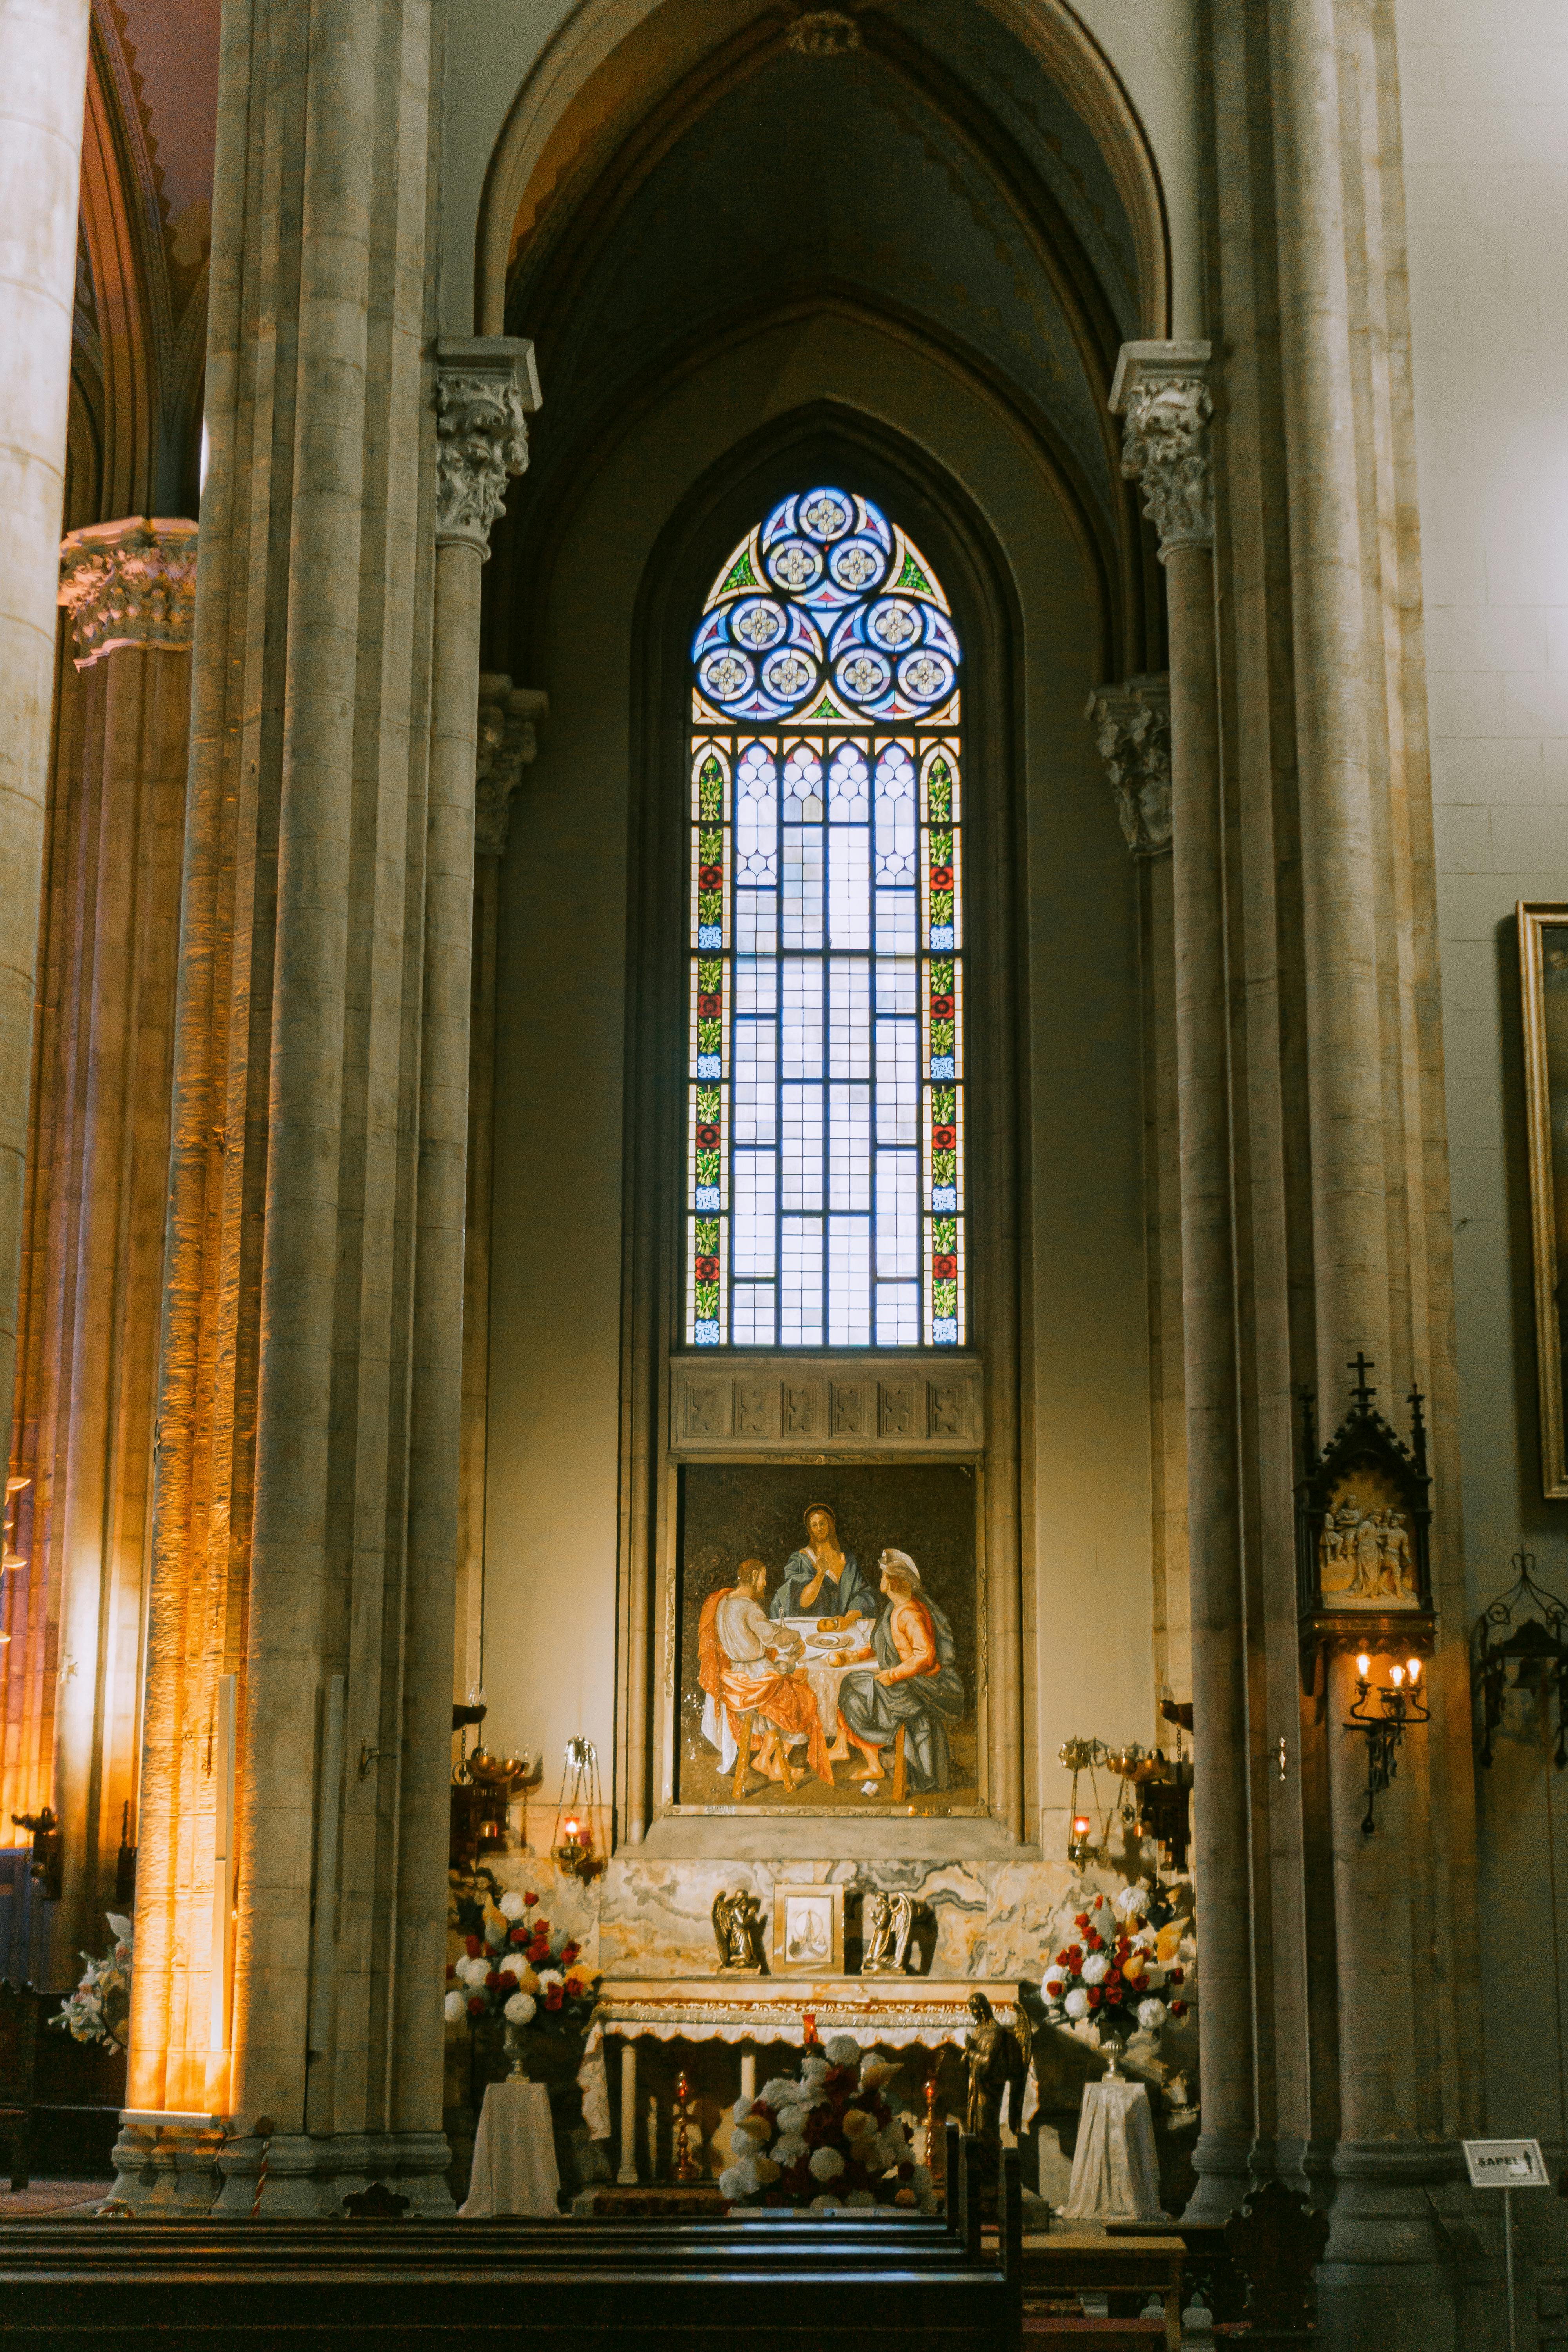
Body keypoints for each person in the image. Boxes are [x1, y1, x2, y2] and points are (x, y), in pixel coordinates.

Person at [697, 1557, 832, 1792]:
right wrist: (794, 1636)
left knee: (784, 1695)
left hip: (735, 1677)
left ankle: (765, 1760)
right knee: (802, 1699)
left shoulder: (724, 1601)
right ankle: (774, 1762)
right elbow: (770, 1635)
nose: (765, 1582)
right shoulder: (748, 1606)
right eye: (764, 1577)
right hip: (754, 1677)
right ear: (754, 1577)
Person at [834, 1549, 964, 1791]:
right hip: (904, 1682)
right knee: (851, 1683)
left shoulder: (909, 1614)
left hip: (915, 1689)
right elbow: (885, 1644)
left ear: (893, 1581)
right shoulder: (896, 1608)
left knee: (852, 1690)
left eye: (884, 1575)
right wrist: (854, 1655)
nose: (881, 1579)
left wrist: (893, 1675)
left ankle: (876, 1754)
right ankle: (872, 1759)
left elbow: (925, 1656)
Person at [769, 1502, 875, 1623]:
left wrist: (848, 1618)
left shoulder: (848, 1560)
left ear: (830, 1525)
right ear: (810, 1530)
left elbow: (865, 1594)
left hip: (845, 1625)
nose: (819, 1528)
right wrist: (821, 1573)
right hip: (813, 1627)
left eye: (822, 1523)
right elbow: (802, 1602)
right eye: (814, 1525)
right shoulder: (800, 1559)